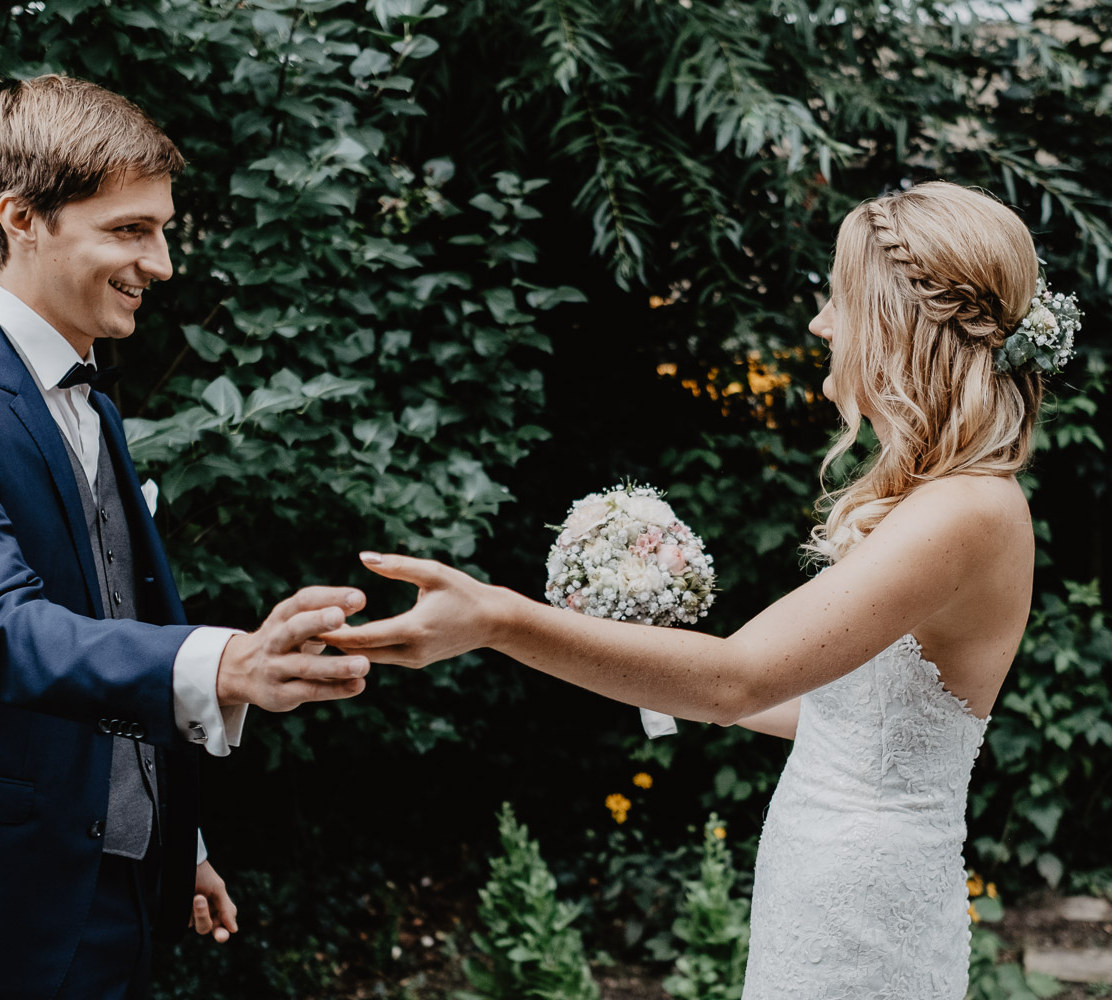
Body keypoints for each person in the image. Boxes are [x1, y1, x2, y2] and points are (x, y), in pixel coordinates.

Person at [327, 181, 1054, 998]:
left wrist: (497, 619)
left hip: (866, 909)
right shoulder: (947, 498)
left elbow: (732, 677)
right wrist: (639, 659)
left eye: (837, 297)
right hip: (827, 879)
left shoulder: (968, 507)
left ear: (895, 322)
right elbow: (836, 718)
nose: (819, 322)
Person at [0, 75, 372, 1000]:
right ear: (23, 217)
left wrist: (168, 834)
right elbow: (0, 629)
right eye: (128, 230)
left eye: (160, 230)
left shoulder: (94, 405)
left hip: (123, 891)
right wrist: (227, 663)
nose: (160, 263)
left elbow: (106, 618)